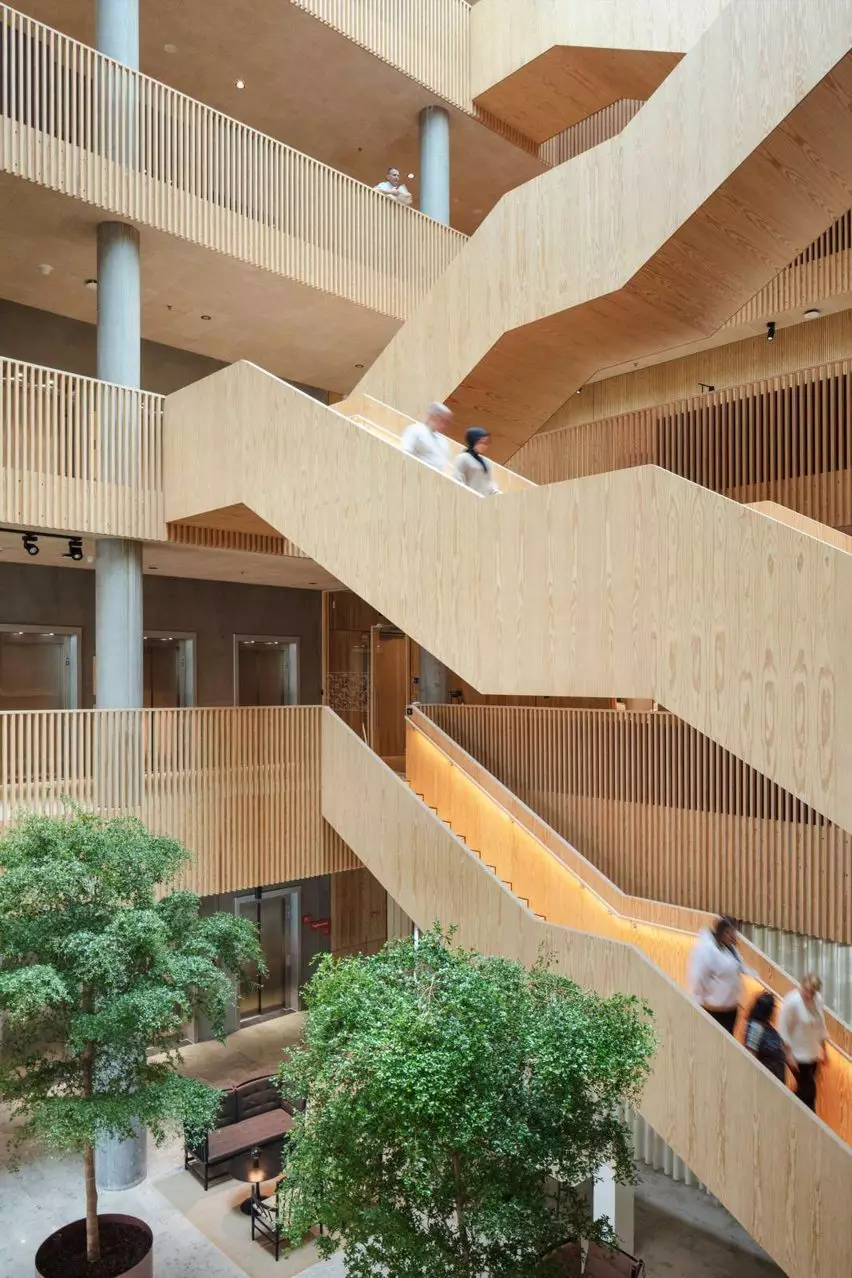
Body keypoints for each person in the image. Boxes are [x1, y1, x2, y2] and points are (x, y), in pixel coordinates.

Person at [778, 974, 828, 1112]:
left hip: (812, 1055)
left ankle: (789, 1113)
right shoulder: (792, 1001)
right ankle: (811, 1126)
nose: (808, 994)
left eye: (812, 992)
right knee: (810, 1092)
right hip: (796, 1055)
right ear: (802, 985)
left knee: (805, 1093)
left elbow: (821, 1025)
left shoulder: (818, 1000)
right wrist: (788, 1054)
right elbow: (783, 1027)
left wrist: (824, 1049)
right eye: (806, 990)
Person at [688, 915, 744, 1034]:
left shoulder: (731, 949)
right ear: (722, 932)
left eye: (734, 932)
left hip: (730, 1009)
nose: (733, 936)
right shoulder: (707, 949)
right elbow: (699, 978)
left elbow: (739, 968)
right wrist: (712, 996)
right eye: (730, 933)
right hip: (713, 1010)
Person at [745, 991, 794, 1083]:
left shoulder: (764, 1025)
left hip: (775, 1076)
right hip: (766, 1079)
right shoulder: (755, 1028)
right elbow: (750, 1055)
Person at [401, 403, 453, 473]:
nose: (444, 425)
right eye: (442, 420)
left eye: (446, 422)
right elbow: (405, 454)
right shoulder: (415, 430)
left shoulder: (444, 441)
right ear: (432, 416)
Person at [453, 427, 500, 496]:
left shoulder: (486, 462)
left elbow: (489, 484)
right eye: (481, 442)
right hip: (469, 499)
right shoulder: (463, 458)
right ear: (473, 441)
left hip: (483, 502)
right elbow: (457, 480)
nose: (484, 446)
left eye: (486, 443)